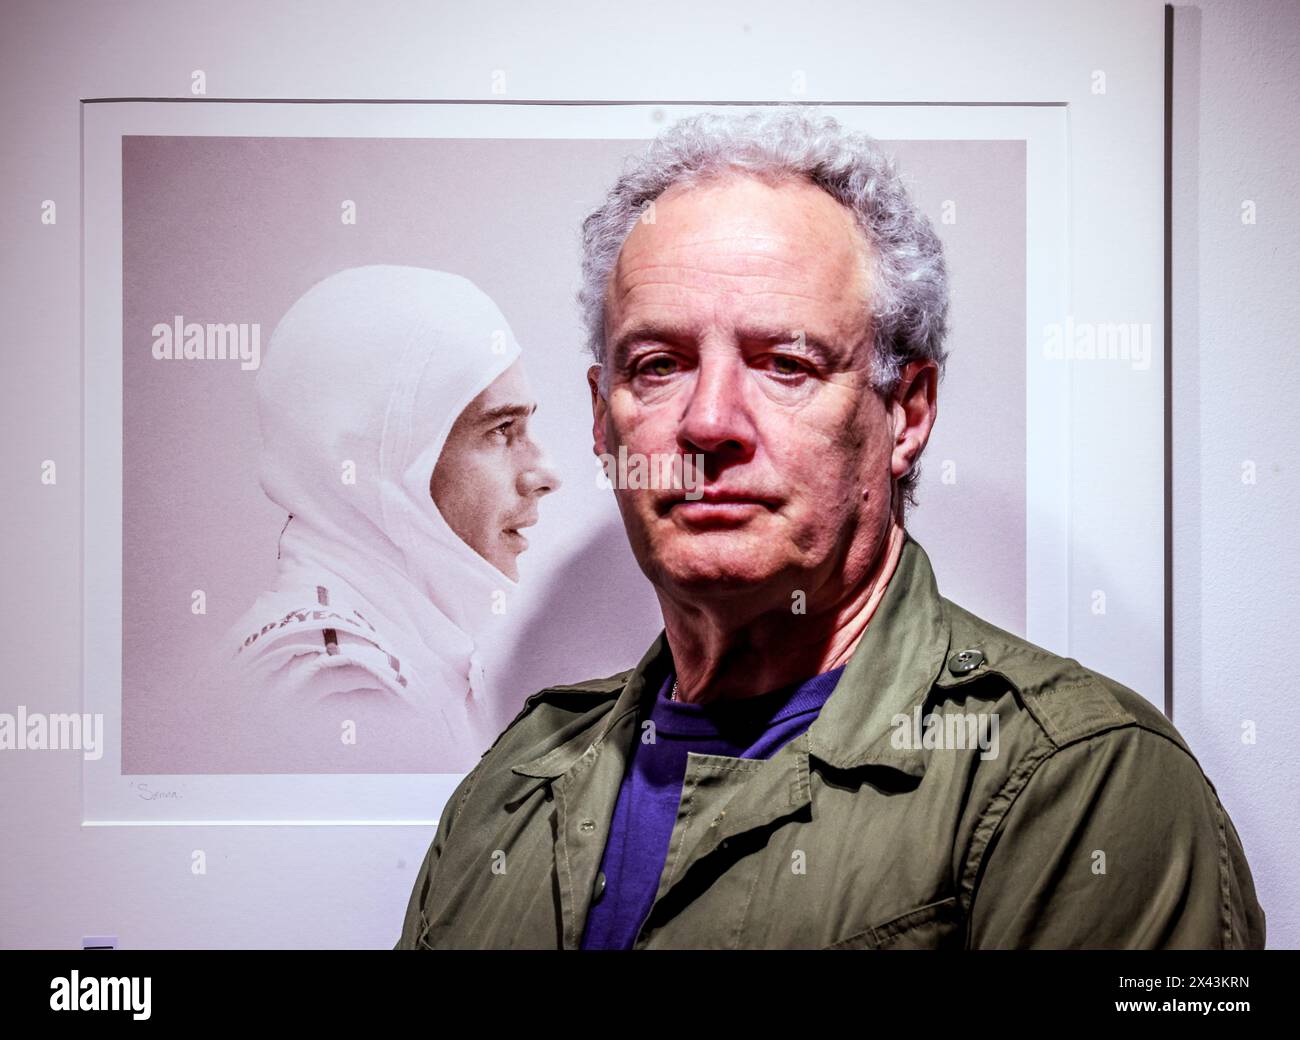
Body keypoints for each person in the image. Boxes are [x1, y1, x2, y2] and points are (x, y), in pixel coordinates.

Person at [395, 109, 1265, 947]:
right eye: (658, 365)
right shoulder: (514, 782)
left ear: (908, 412)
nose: (708, 423)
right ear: (601, 418)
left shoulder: (1078, 782)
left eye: (785, 364)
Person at [200, 265, 560, 773]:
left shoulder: (415, 648)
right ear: (381, 457)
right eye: (501, 429)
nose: (545, 473)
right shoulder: (333, 685)